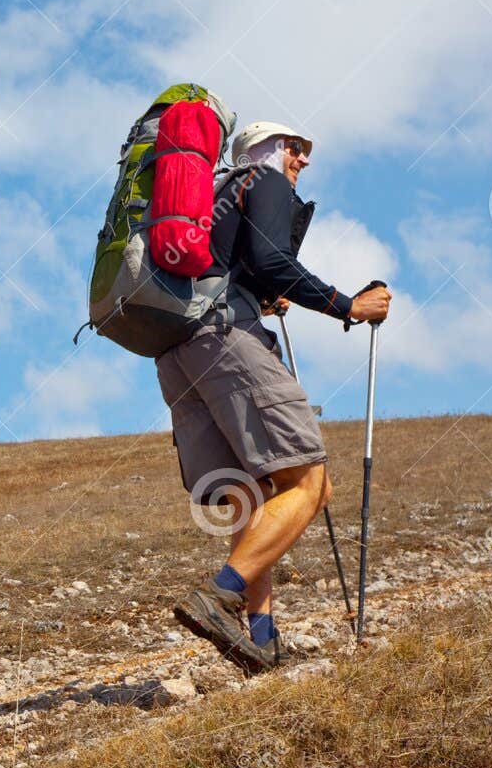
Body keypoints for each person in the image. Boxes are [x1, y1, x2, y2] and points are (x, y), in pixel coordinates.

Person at [162, 123, 390, 674]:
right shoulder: (259, 180)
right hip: (225, 343)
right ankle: (219, 596)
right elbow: (273, 261)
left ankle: (260, 639)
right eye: (296, 148)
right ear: (265, 150)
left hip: (177, 350)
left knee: (253, 492)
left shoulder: (212, 197)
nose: (302, 162)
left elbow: (244, 268)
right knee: (311, 483)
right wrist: (347, 306)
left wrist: (261, 298)